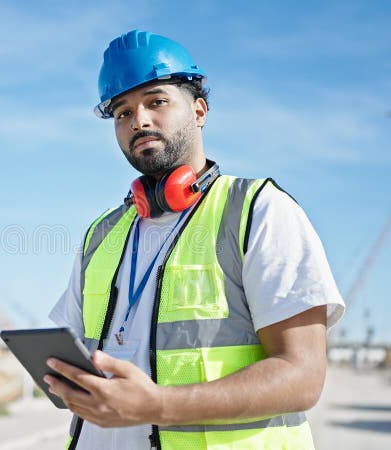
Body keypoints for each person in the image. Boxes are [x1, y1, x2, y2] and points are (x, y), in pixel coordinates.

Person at [46, 30, 345, 449]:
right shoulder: (101, 234)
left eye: (157, 101)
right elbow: (67, 358)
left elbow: (302, 376)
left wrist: (158, 405)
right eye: (123, 113)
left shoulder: (258, 211)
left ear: (200, 110)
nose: (140, 121)